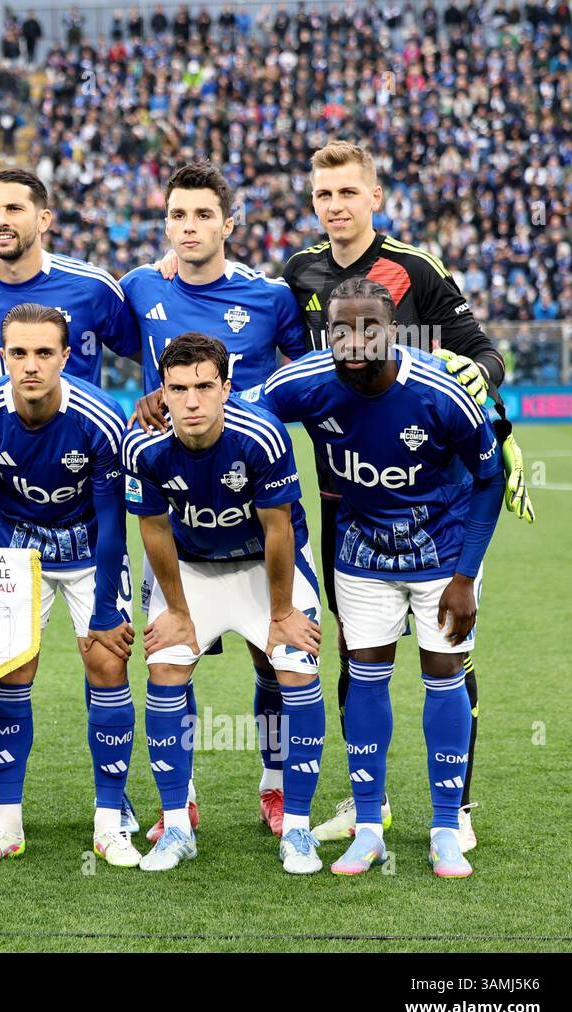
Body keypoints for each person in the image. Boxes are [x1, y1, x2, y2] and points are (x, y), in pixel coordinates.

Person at [281, 141, 528, 850]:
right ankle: (372, 809)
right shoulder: (300, 273)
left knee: (448, 653)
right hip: (345, 495)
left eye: (347, 193)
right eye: (324, 194)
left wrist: (474, 381)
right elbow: (284, 366)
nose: (335, 206)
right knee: (359, 652)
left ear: (375, 197)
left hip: (429, 494)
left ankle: (461, 808)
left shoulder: (415, 269)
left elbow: (484, 350)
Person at [251, 278, 503, 878]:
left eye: (370, 327)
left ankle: (446, 828)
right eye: (341, 328)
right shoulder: (303, 382)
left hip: (442, 557)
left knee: (443, 673)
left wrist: (466, 576)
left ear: (395, 329)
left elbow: (489, 479)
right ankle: (368, 831)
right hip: (361, 554)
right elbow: (245, 421)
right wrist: (164, 404)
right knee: (364, 675)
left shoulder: (439, 394)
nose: (355, 340)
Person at [0, 167, 142, 837]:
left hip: (84, 512)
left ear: (43, 217)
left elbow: (150, 352)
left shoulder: (92, 290)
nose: (1, 216)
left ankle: (116, 800)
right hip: (12, 525)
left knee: (107, 654)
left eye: (15, 206)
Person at [121, 162, 308, 840]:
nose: (190, 227)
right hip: (177, 506)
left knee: (273, 656)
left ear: (230, 223)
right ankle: (182, 799)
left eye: (204, 215)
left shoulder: (270, 297)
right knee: (174, 650)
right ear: (164, 224)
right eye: (178, 216)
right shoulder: (141, 287)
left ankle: (277, 786)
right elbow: (102, 350)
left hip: (256, 502)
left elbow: (310, 372)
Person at [123, 333, 324, 874]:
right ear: (161, 391)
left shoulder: (261, 435)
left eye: (204, 387)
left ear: (226, 389)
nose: (191, 401)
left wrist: (282, 614)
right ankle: (177, 825)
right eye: (178, 388)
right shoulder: (142, 445)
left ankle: (297, 826)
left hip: (266, 567)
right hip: (190, 571)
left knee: (296, 674)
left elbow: (279, 530)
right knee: (164, 670)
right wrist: (179, 612)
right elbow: (155, 532)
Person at [0, 303, 136, 866]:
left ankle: (110, 819)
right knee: (10, 672)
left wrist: (105, 608)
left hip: (87, 547)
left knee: (106, 663)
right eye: (18, 353)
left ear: (66, 355)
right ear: (3, 355)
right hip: (16, 548)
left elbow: (112, 518)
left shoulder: (100, 418)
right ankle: (6, 821)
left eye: (44, 353)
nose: (31, 365)